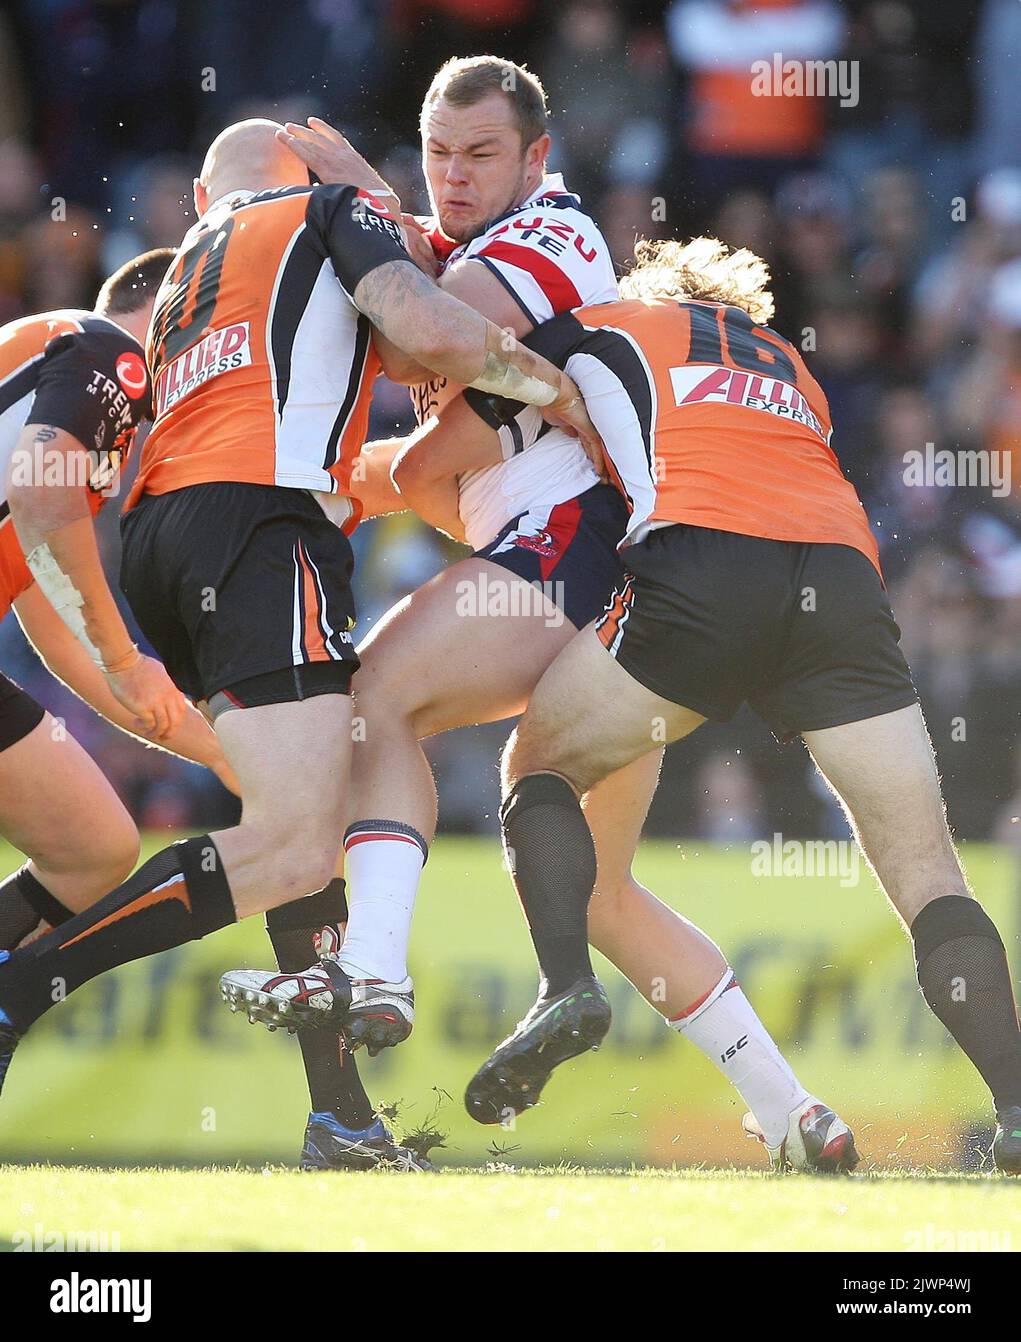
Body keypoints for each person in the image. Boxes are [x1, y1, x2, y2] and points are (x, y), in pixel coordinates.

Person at [223, 66, 857, 1175]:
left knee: (373, 700)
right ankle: (794, 1109)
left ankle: (372, 964)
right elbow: (428, 409)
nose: (455, 176)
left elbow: (434, 334)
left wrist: (357, 211)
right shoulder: (461, 244)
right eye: (437, 153)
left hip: (571, 543)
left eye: (479, 156)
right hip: (611, 583)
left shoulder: (557, 233)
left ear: (537, 159)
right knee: (600, 891)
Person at [0, 117, 584, 1119]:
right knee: (295, 843)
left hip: (173, 545)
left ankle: (341, 1114)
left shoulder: (189, 307)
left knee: (151, 839)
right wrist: (558, 391)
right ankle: (20, 992)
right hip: (259, 523)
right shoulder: (109, 345)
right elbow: (427, 331)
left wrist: (148, 691)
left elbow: (49, 590)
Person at [464, 236, 1021, 1176]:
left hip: (706, 561)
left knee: (541, 766)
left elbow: (471, 365)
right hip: (840, 578)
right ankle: (1013, 1108)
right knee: (928, 871)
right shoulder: (792, 366)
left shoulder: (606, 324)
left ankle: (565, 988)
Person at [0, 249, 236, 955]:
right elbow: (42, 491)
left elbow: (59, 627)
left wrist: (222, 755)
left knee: (93, 847)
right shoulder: (112, 353)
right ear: (175, 307)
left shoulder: (55, 373)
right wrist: (125, 657)